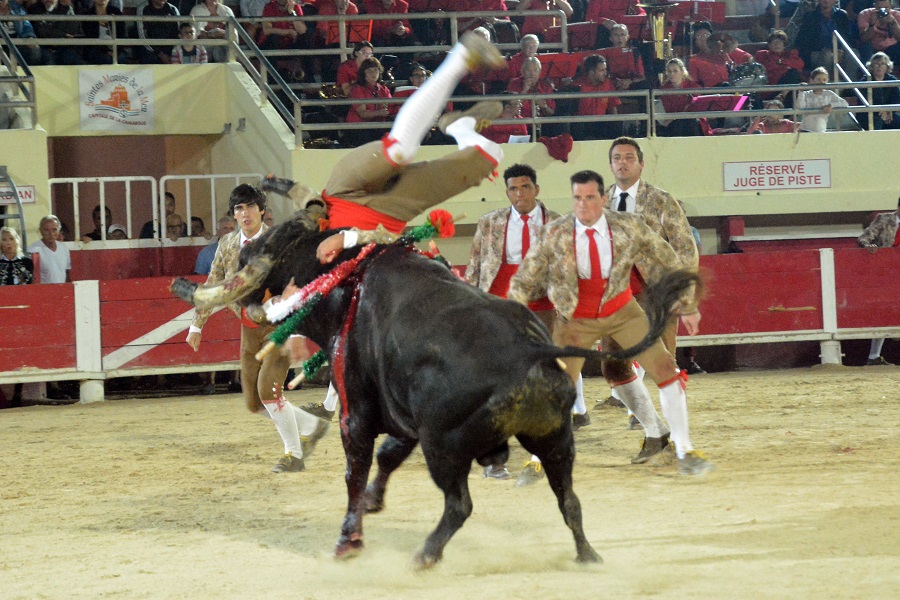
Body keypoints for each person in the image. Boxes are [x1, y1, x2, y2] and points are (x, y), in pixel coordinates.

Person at [262, 31, 508, 420]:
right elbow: (388, 246)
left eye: (294, 348)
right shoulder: (342, 318)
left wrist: (284, 306)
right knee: (490, 155)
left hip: (344, 192)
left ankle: (461, 55)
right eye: (300, 352)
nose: (298, 353)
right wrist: (350, 239)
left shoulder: (299, 288)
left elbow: (281, 295)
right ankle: (460, 128)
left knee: (400, 148)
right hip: (388, 215)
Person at [509, 170, 713, 476]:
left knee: (666, 371)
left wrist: (688, 303)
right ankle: (538, 459)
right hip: (576, 319)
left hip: (623, 312)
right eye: (577, 198)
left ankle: (685, 450)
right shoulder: (554, 232)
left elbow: (670, 260)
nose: (583, 205)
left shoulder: (630, 226)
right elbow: (525, 279)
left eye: (590, 197)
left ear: (603, 199)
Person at [186, 185, 329, 472]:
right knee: (253, 403)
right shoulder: (227, 245)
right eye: (239, 208)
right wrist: (196, 325)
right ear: (234, 215)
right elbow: (213, 284)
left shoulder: (280, 241)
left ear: (262, 210)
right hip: (248, 330)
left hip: (279, 327)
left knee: (268, 392)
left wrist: (298, 331)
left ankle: (294, 455)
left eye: (251, 206)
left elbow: (298, 285)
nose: (245, 213)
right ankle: (311, 424)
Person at [466, 163, 577, 481]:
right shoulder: (490, 223)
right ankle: (493, 458)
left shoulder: (558, 223)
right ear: (507, 192)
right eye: (513, 189)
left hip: (542, 308)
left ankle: (538, 453)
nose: (519, 194)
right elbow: (475, 265)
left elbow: (569, 268)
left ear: (536, 189)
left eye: (525, 187)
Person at [602, 137, 703, 462]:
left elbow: (686, 248)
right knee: (614, 366)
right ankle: (654, 427)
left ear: (641, 165)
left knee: (664, 365)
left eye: (629, 158)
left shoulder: (661, 201)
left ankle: (677, 439)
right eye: (617, 158)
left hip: (656, 291)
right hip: (615, 292)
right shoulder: (601, 200)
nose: (622, 163)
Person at [857, 194, 900, 366]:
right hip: (886, 274)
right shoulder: (884, 220)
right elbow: (864, 238)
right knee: (883, 313)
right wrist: (870, 246)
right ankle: (873, 356)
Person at [0, 226, 32, 408]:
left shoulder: (26, 262)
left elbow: (28, 285)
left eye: (10, 239)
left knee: (21, 351)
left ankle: (18, 393)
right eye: (4, 240)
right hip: (2, 314)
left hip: (21, 313)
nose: (8, 243)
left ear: (16, 241)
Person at [794, 0, 854, 73]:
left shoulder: (842, 15)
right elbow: (804, 41)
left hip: (838, 50)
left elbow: (847, 37)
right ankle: (824, 80)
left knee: (853, 53)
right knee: (827, 55)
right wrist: (828, 49)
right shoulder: (810, 16)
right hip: (818, 51)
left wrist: (840, 51)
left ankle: (852, 82)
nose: (826, 1)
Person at [345, 56, 393, 146]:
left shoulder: (384, 89)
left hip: (377, 127)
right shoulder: (358, 89)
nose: (373, 73)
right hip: (359, 128)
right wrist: (380, 112)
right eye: (369, 71)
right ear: (363, 74)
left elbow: (390, 107)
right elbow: (363, 114)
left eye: (376, 70)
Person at [572, 54, 621, 141]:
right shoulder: (576, 86)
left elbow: (613, 108)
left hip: (602, 124)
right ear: (591, 72)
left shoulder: (608, 84)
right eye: (601, 70)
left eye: (605, 70)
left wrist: (615, 123)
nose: (605, 73)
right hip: (582, 125)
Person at [754, 29, 805, 102]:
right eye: (774, 42)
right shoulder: (762, 54)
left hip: (787, 88)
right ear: (769, 45)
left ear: (784, 45)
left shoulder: (789, 54)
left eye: (780, 42)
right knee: (792, 74)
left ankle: (787, 102)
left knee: (794, 74)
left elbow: (800, 65)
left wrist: (782, 61)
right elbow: (766, 68)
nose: (777, 45)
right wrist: (785, 66)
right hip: (769, 89)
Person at [28, 0, 84, 65]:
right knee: (48, 59)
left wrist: (54, 32)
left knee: (74, 60)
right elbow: (41, 31)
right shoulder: (35, 9)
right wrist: (63, 34)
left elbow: (73, 32)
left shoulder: (67, 10)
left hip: (64, 48)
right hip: (44, 47)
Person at [656, 57, 701, 137]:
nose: (671, 74)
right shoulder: (664, 89)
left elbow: (697, 106)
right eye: (669, 71)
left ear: (682, 72)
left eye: (675, 71)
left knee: (691, 123)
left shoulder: (693, 86)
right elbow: (669, 110)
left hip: (692, 120)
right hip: (674, 123)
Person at [796, 66, 850, 132]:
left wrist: (831, 105)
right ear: (812, 80)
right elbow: (800, 107)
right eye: (818, 79)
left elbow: (844, 103)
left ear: (827, 81)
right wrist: (801, 92)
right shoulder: (806, 94)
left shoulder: (828, 94)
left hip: (820, 129)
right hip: (805, 129)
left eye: (824, 80)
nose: (821, 82)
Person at [858, 51, 900, 130]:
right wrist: (880, 111)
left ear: (887, 66)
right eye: (876, 64)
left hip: (888, 114)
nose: (879, 66)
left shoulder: (891, 80)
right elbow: (863, 101)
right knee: (877, 121)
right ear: (872, 66)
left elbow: (896, 99)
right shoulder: (865, 81)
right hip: (868, 115)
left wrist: (889, 111)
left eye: (883, 64)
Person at [506, 56, 556, 120]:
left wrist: (544, 106)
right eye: (528, 70)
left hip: (542, 123)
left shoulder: (546, 86)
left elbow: (552, 112)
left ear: (540, 72)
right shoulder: (513, 84)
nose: (532, 74)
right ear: (523, 72)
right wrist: (524, 90)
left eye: (536, 70)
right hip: (520, 121)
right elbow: (509, 109)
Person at [79, 0, 127, 65]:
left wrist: (116, 51)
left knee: (121, 57)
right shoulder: (88, 14)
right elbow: (91, 37)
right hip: (96, 49)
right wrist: (106, 51)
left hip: (116, 49)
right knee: (105, 58)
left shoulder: (116, 12)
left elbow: (121, 34)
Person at [27, 215, 71, 284]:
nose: (51, 233)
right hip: (43, 292)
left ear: (59, 230)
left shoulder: (63, 248)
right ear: (40, 231)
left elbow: (67, 272)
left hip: (62, 291)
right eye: (46, 230)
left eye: (54, 229)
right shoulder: (33, 250)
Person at [136, 0, 181, 64]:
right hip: (151, 48)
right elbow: (143, 36)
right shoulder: (143, 8)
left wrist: (171, 52)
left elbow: (178, 34)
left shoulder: (173, 9)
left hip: (170, 48)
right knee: (148, 55)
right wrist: (161, 54)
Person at [0, 0, 42, 66]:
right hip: (1, 44)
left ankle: (25, 74)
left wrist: (29, 37)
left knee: (34, 51)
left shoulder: (16, 7)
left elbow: (26, 25)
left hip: (16, 43)